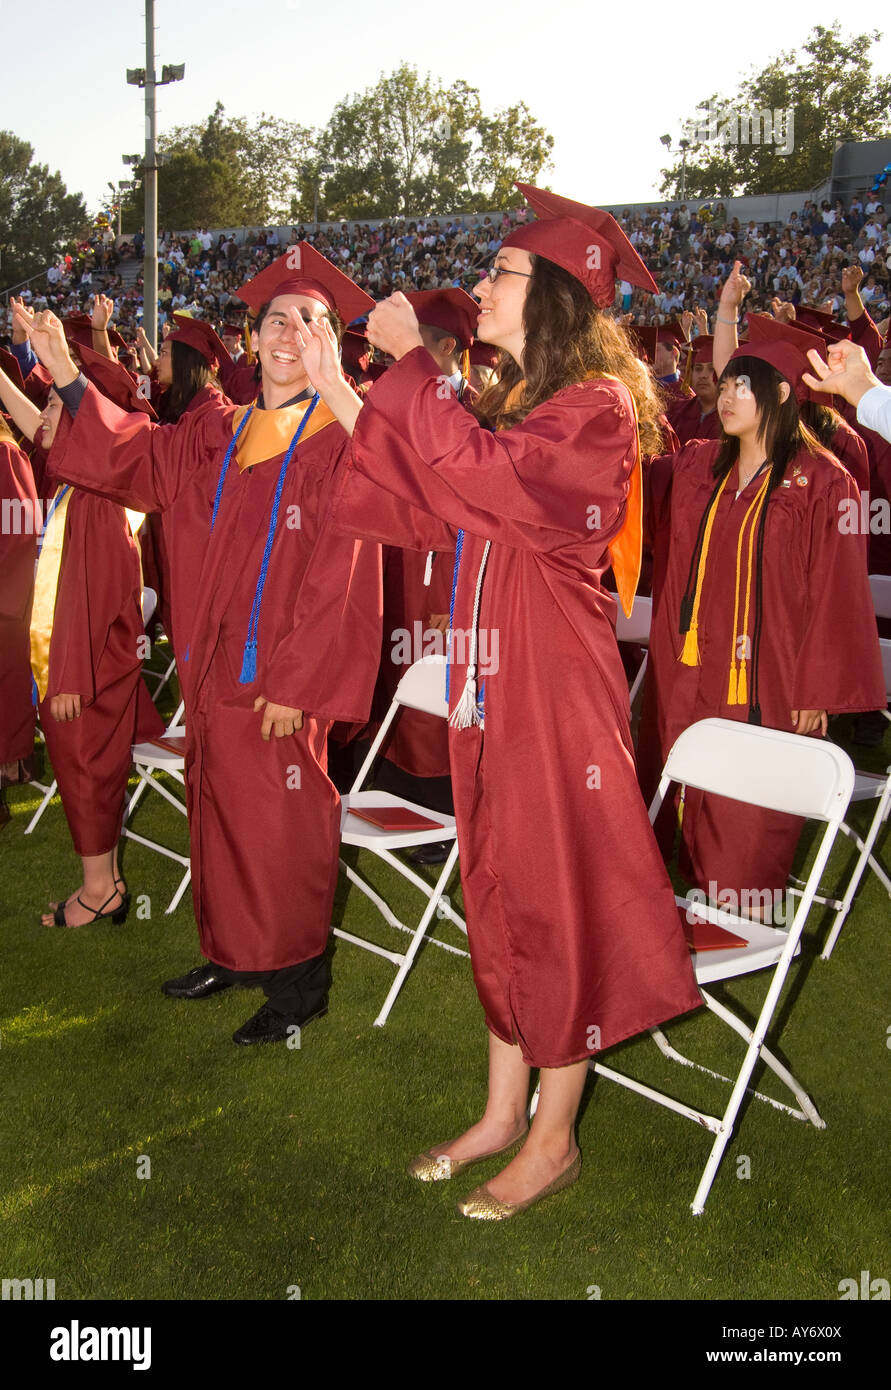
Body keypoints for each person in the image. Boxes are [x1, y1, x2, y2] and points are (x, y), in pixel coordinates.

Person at [289, 183, 702, 1219]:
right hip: (488, 685)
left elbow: (480, 474)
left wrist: (416, 362)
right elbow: (434, 498)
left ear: (557, 294)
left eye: (502, 271)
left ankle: (554, 1136)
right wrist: (346, 381)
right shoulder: (523, 404)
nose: (482, 283)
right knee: (500, 895)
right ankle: (500, 1108)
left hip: (552, 694)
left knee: (555, 901)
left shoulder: (598, 408)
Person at [16, 245, 383, 1044]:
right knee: (217, 815)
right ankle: (231, 952)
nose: (289, 333)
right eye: (275, 320)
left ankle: (296, 985)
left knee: (282, 825)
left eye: (309, 322)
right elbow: (132, 455)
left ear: (330, 342)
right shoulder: (218, 431)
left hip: (282, 679)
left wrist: (302, 685)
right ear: (251, 339)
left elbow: (344, 578)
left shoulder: (340, 443)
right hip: (211, 668)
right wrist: (71, 382)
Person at [638, 307, 886, 906]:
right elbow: (633, 486)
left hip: (769, 669)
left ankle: (739, 900)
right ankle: (660, 876)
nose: (725, 395)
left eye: (741, 384)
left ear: (781, 393)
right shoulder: (700, 465)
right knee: (675, 757)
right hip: (689, 660)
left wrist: (816, 689)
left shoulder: (824, 482)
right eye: (723, 384)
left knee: (747, 794)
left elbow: (838, 595)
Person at [0, 352, 163, 925]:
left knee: (87, 773)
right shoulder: (85, 479)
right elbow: (39, 429)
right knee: (80, 771)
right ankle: (106, 881)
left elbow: (88, 597)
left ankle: (100, 892)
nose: (43, 413)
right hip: (82, 660)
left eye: (53, 404)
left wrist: (66, 677)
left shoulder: (94, 498)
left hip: (85, 666)